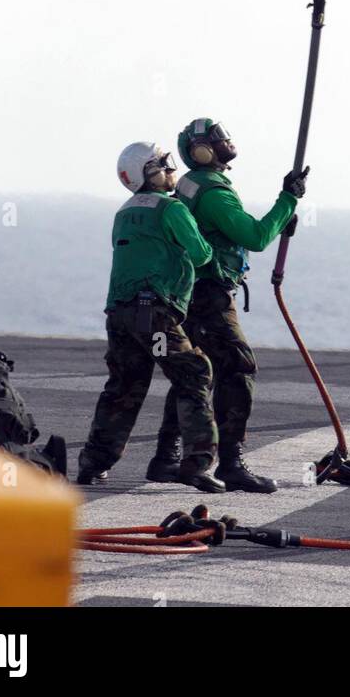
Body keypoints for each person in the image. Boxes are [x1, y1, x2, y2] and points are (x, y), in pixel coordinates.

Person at [156, 117, 308, 492]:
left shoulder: (192, 185)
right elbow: (255, 236)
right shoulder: (213, 192)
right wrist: (287, 199)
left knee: (193, 372)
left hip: (188, 290)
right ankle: (230, 463)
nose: (225, 141)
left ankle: (166, 457)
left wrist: (282, 216)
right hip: (209, 293)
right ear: (202, 151)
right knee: (238, 368)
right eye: (217, 138)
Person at [77, 142, 224, 493]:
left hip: (121, 314)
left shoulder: (124, 212)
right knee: (194, 372)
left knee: (123, 387)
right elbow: (202, 255)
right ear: (151, 172)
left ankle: (93, 464)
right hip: (154, 316)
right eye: (164, 164)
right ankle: (197, 463)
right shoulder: (171, 208)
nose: (171, 169)